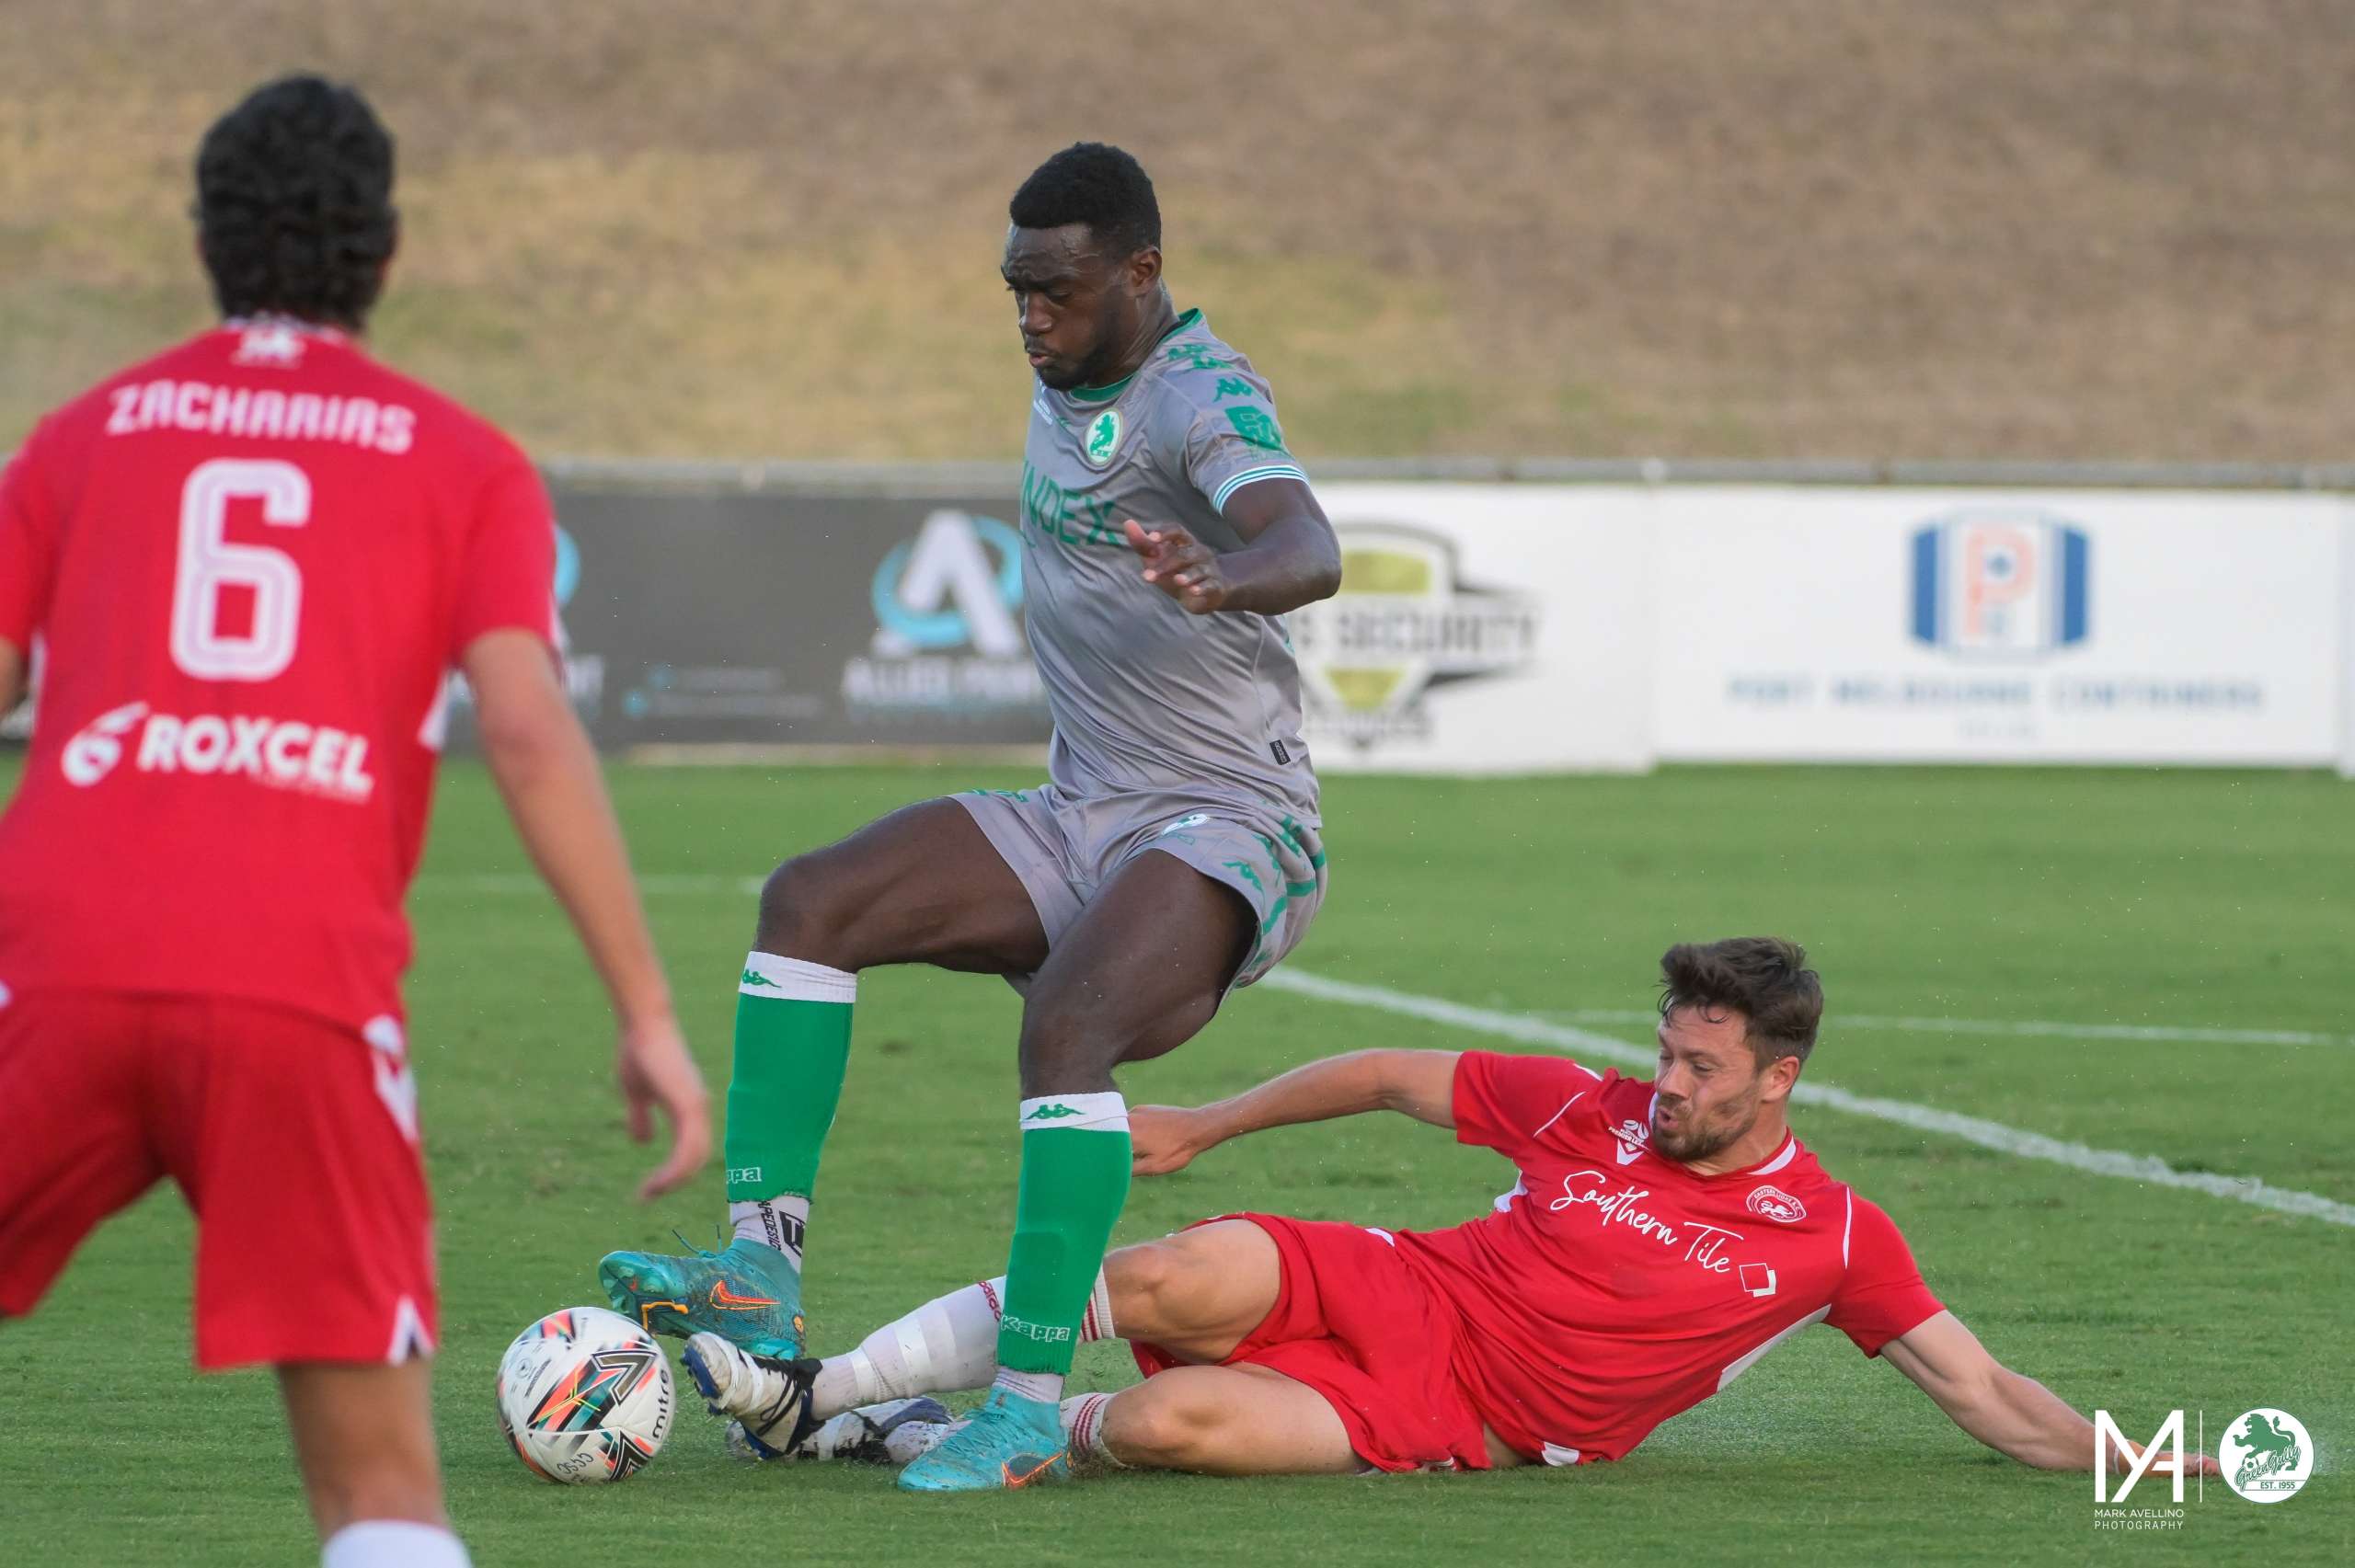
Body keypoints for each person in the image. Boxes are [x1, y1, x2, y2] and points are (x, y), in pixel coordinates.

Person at [0, 76, 710, 1568]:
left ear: (206, 243)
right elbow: (522, 724)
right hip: (300, 1000)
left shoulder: (81, 437)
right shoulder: (460, 461)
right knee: (382, 1502)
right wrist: (646, 1007)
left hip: (53, 976)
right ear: (383, 254)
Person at [599, 140, 1341, 1492]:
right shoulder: (1071, 371)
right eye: (1015, 290)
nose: (1030, 319)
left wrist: (1225, 578)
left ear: (1142, 272)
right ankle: (760, 1272)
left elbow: (1310, 542)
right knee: (808, 902)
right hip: (1081, 807)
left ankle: (1020, 1410)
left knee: (1070, 1025)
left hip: (1230, 820)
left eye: (1056, 291)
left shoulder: (1201, 392)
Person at [685, 939, 2217, 1485]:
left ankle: (893, 1428)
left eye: (1698, 1064)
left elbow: (1991, 1396)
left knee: (1161, 1433)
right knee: (1169, 1272)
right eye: (1666, 1048)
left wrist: (2154, 1461)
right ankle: (816, 1387)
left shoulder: (1834, 1240)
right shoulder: (1587, 1101)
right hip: (1400, 1280)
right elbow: (1389, 1072)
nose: (1664, 1081)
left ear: (1779, 1075)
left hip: (1461, 1419)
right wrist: (1209, 1125)